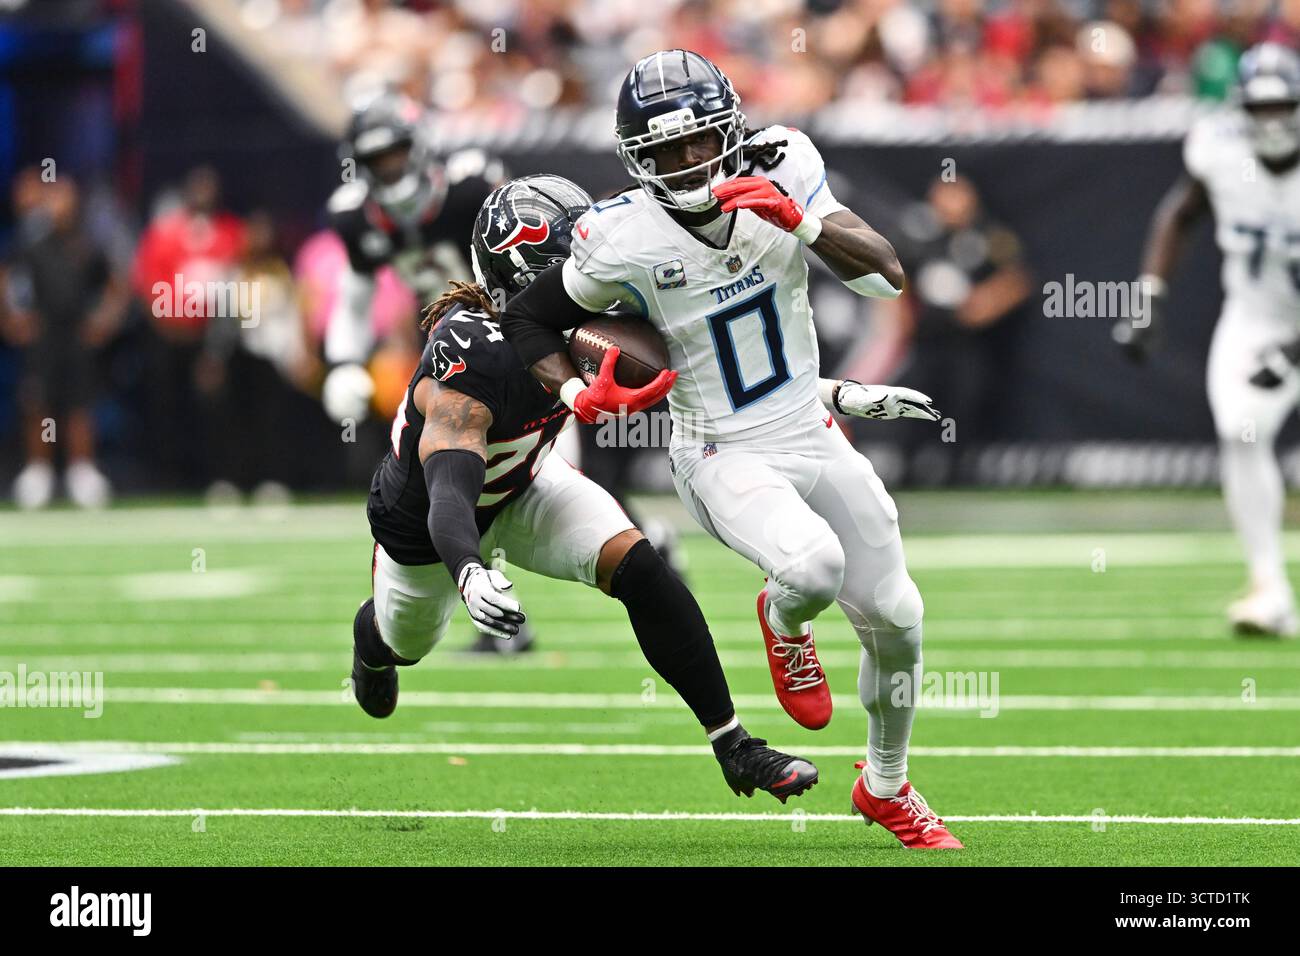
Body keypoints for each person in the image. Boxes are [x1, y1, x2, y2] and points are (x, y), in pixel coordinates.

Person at [500, 50, 959, 849]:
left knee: (900, 616)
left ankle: (886, 786)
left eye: (700, 140)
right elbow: (527, 318)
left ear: (733, 130)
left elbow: (886, 279)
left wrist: (800, 222)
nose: (688, 161)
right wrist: (576, 394)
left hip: (810, 429)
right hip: (720, 449)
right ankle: (784, 622)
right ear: (637, 159)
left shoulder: (784, 164)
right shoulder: (620, 237)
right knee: (813, 566)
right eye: (666, 150)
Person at [352, 173, 818, 804]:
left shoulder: (597, 320)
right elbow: (450, 488)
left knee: (641, 568)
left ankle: (734, 745)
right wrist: (468, 569)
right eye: (573, 257)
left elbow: (734, 373)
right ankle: (372, 642)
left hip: (526, 483)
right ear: (527, 275)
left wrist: (832, 395)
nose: (593, 268)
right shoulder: (473, 349)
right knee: (406, 643)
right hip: (427, 522)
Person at [1115, 43, 1300, 638]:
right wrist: (1149, 297)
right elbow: (1180, 213)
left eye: (1282, 107)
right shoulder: (1220, 148)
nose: (1272, 121)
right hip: (1258, 316)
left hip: (1287, 333)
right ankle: (1269, 586)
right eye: (1261, 109)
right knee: (1240, 430)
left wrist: (1292, 353)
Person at [320, 91, 503, 426]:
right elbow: (354, 301)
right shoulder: (356, 218)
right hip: (444, 351)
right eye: (377, 159)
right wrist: (344, 364)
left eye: (397, 152)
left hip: (509, 329)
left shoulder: (471, 187)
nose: (390, 167)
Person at [5, 175, 126, 509]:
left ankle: (81, 470)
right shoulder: (32, 244)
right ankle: (40, 471)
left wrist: (104, 320)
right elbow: (9, 278)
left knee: (80, 406)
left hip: (77, 336)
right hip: (44, 336)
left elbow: (117, 284)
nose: (58, 205)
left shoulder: (87, 245)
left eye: (64, 198)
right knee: (40, 404)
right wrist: (12, 320)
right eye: (53, 198)